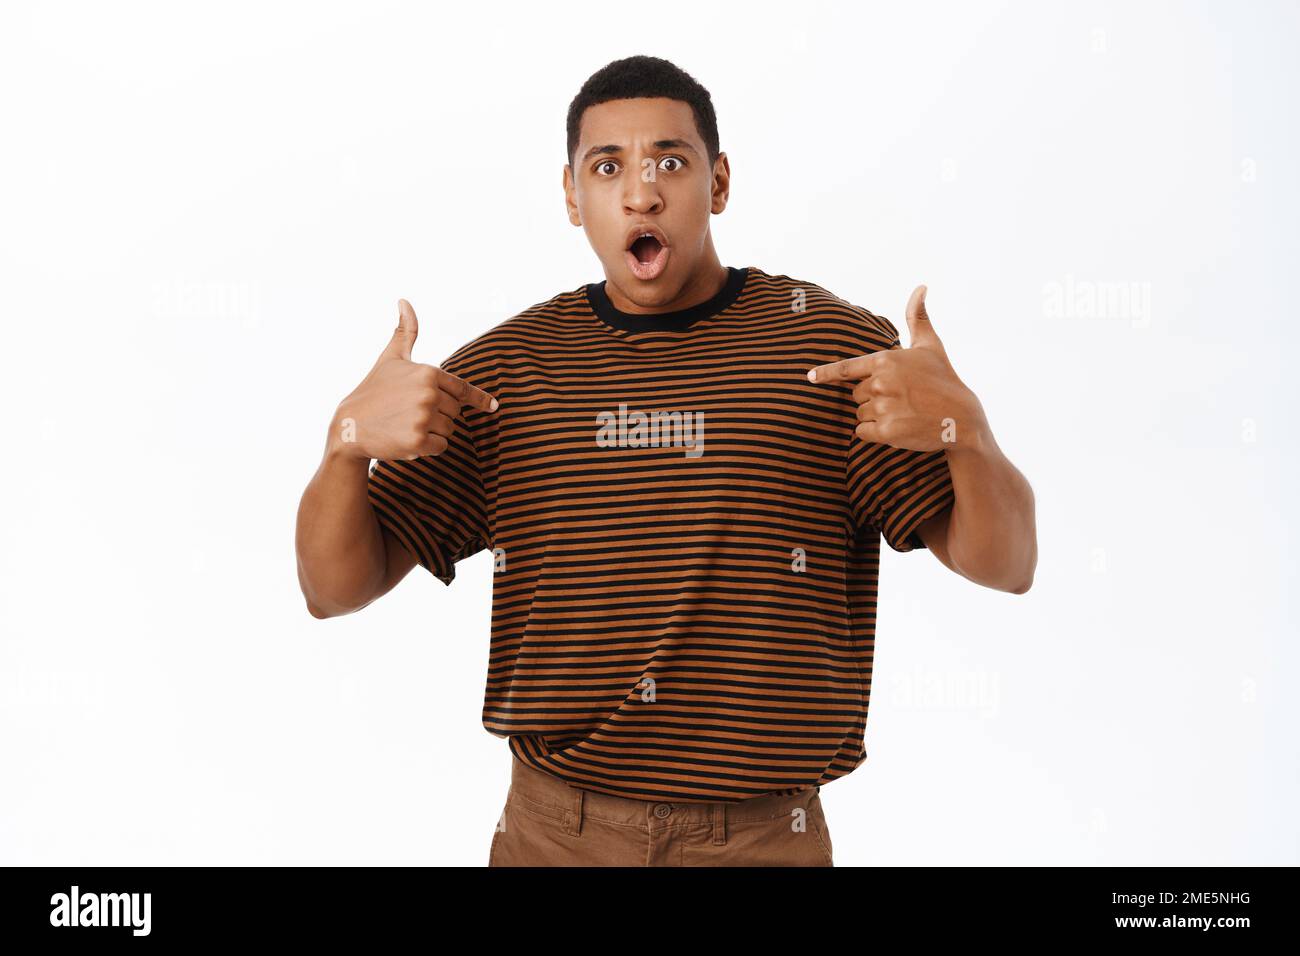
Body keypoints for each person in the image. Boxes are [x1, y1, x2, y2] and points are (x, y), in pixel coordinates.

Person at [294, 55, 1037, 867]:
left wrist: (968, 427)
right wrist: (346, 445)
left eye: (670, 163)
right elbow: (334, 590)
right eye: (607, 166)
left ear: (718, 183)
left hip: (763, 839)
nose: (640, 192)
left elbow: (1006, 565)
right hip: (555, 836)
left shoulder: (829, 351)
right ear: (572, 197)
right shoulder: (505, 374)